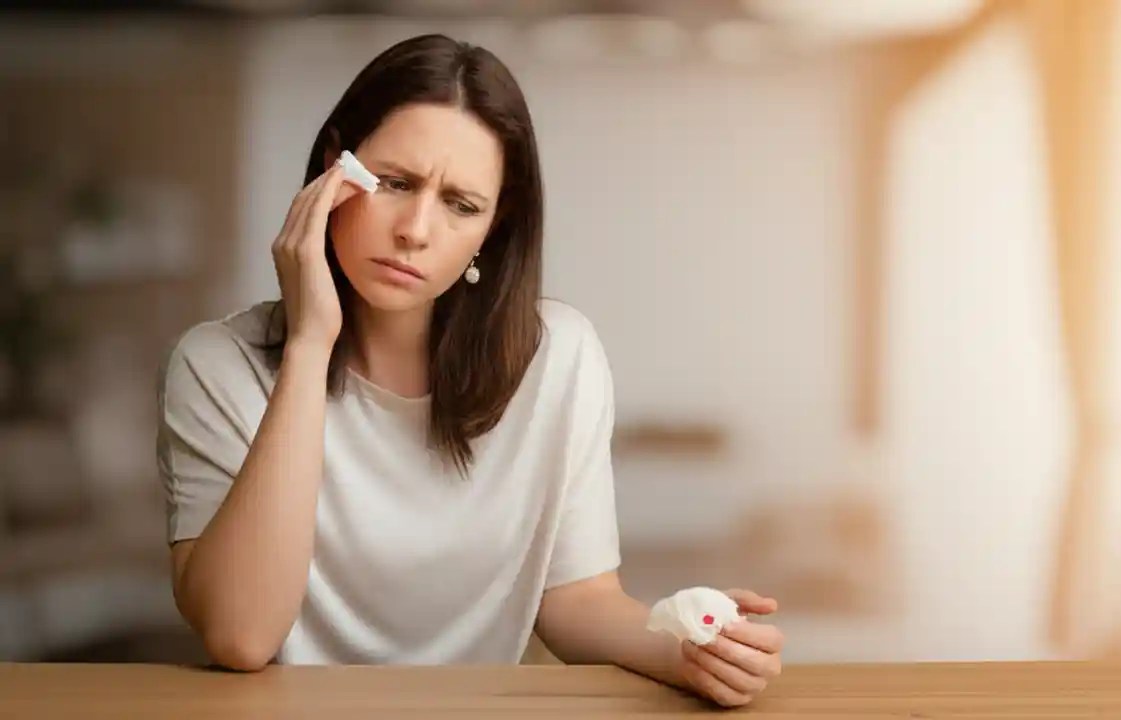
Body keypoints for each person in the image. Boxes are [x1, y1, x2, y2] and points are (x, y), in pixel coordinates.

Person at [155, 33, 783, 707]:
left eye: (460, 204)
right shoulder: (218, 366)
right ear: (334, 171)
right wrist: (310, 344)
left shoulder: (558, 358)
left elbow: (575, 602)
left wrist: (686, 645)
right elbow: (241, 636)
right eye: (394, 184)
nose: (416, 230)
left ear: (495, 224)